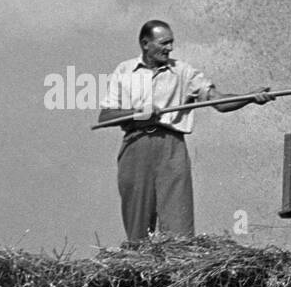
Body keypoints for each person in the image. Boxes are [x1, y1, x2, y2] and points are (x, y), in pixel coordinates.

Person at [98, 20, 272, 243]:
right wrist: (138, 114)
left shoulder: (184, 72)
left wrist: (248, 97)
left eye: (172, 43)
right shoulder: (124, 70)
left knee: (178, 225)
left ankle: (178, 264)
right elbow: (105, 116)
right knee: (137, 223)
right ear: (145, 44)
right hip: (136, 145)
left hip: (171, 147)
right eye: (164, 43)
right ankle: (137, 262)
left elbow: (218, 102)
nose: (170, 48)